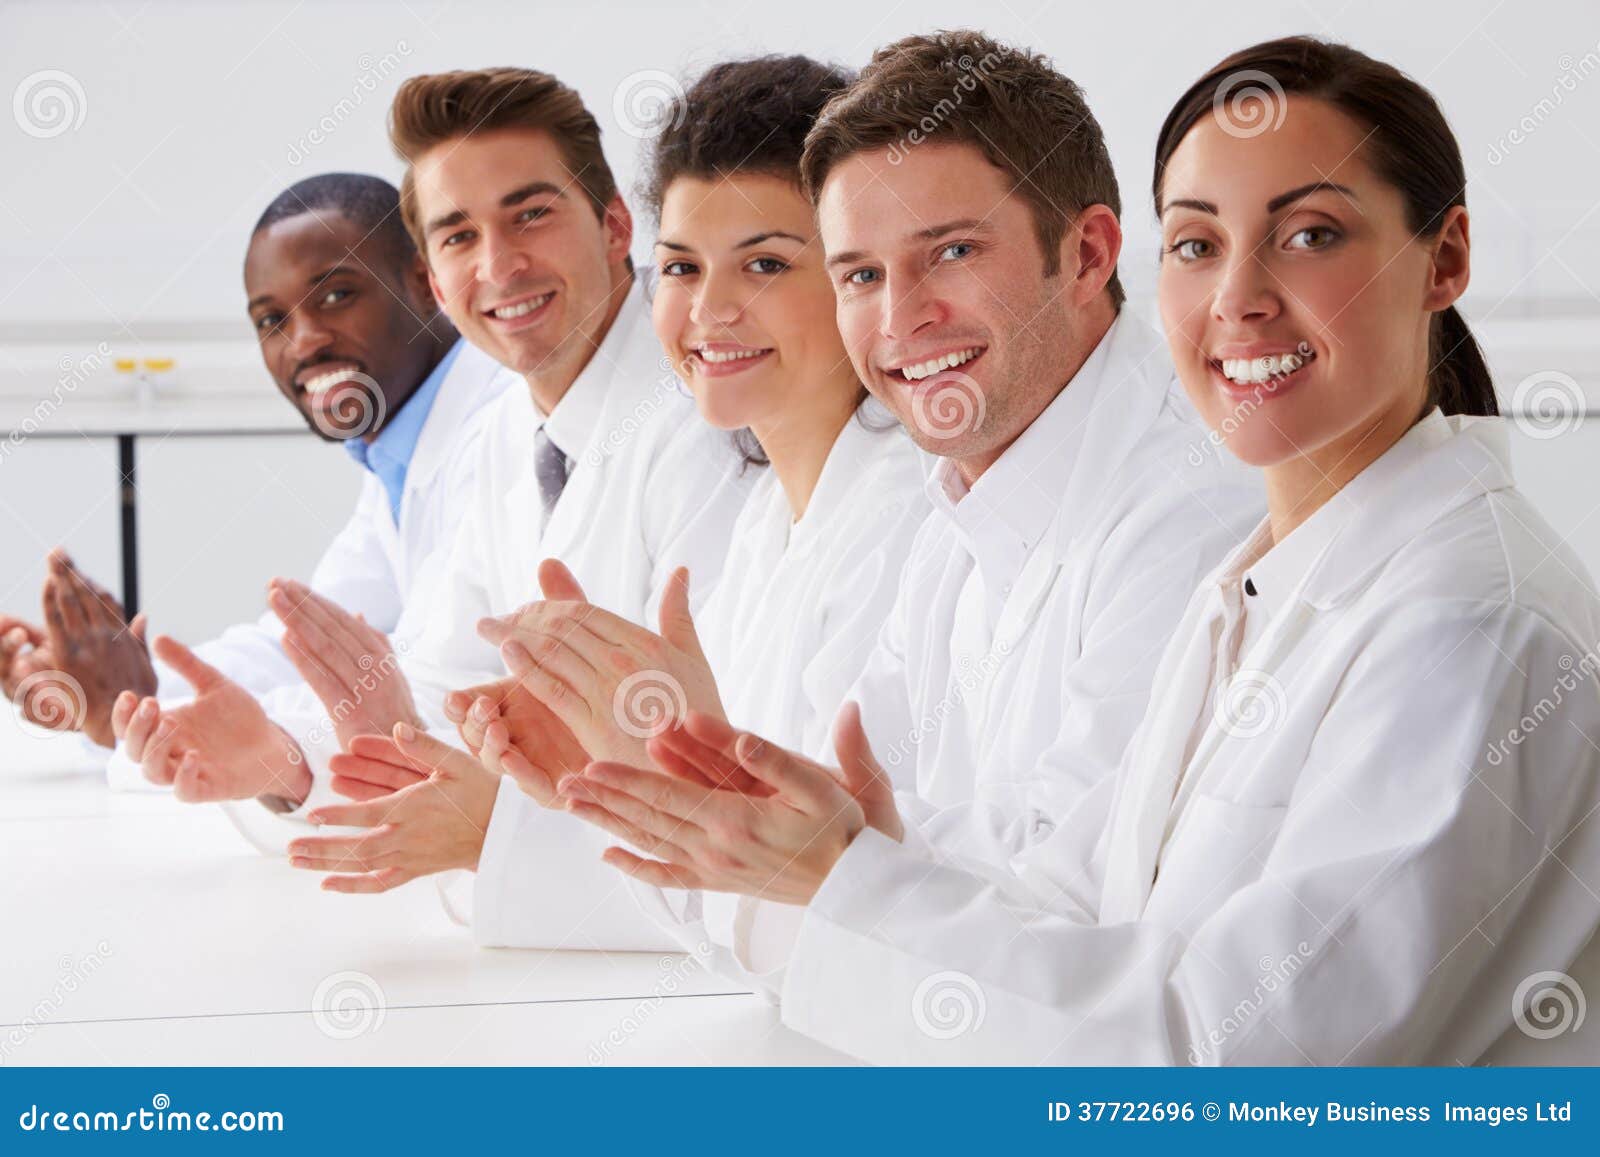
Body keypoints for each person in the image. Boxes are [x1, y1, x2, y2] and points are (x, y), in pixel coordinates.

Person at [562, 35, 1600, 1066]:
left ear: (1445, 258)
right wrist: (824, 845)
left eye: (1312, 233)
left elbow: (1228, 1063)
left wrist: (850, 876)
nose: (1238, 297)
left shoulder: (1466, 628)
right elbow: (1078, 897)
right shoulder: (1253, 583)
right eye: (1196, 245)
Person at [527, 30, 1262, 970]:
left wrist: (817, 858)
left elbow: (1080, 917)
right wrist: (684, 770)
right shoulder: (956, 496)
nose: (898, 317)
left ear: (1086, 253)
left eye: (950, 251)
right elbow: (831, 843)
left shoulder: (1188, 510)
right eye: (861, 276)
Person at [113, 69, 750, 948]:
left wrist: (495, 832)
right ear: (438, 281)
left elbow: (737, 791)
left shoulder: (710, 420)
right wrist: (281, 759)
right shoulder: (506, 439)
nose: (499, 266)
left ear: (613, 226)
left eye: (530, 214)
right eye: (459, 236)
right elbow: (434, 684)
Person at [425, 56, 931, 948]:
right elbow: (739, 873)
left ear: (861, 273)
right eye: (682, 268)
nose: (710, 310)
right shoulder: (769, 526)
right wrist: (601, 768)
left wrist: (653, 786)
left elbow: (873, 890)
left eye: (765, 264)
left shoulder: (912, 519)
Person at [0, 174, 509, 807]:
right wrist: (132, 693)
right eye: (272, 320)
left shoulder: (501, 428)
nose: (304, 342)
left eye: (337, 295)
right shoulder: (397, 454)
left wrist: (129, 719)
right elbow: (300, 646)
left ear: (425, 283)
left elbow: (427, 687)